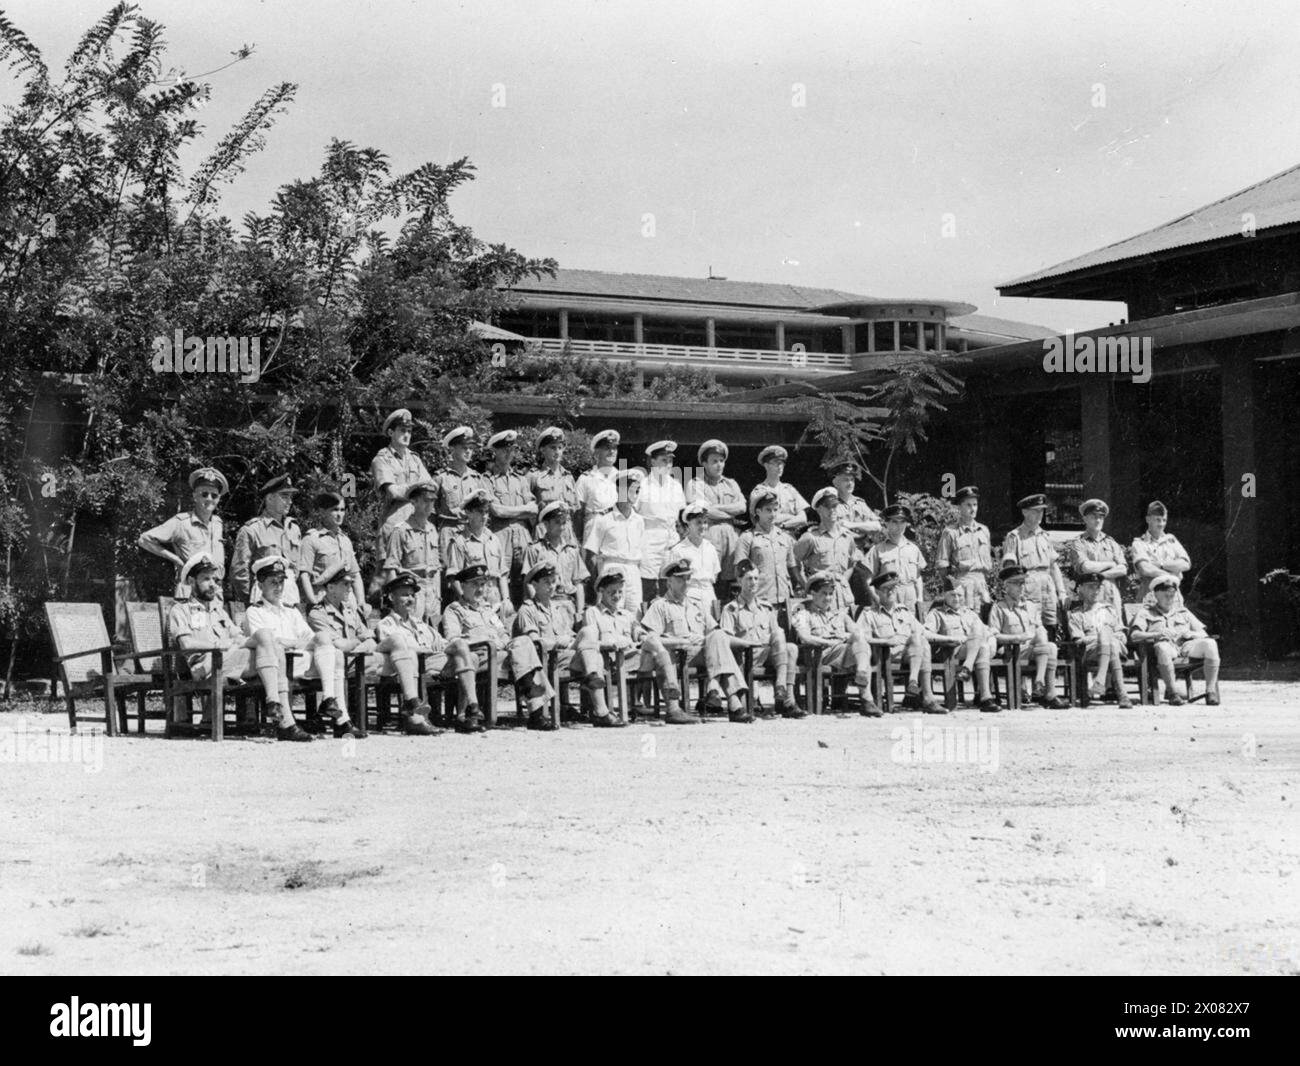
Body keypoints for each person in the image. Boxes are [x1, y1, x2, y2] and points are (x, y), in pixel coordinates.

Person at [168, 554, 310, 741]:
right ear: (192, 581)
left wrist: (261, 640)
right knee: (271, 646)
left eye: (215, 579)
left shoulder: (218, 611)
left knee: (270, 641)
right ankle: (283, 719)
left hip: (230, 662)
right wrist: (220, 644)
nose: (213, 584)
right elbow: (186, 644)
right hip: (206, 666)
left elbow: (238, 638)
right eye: (206, 579)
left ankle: (278, 709)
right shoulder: (180, 610)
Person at [244, 555, 364, 738]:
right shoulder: (255, 611)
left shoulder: (291, 612)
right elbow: (268, 643)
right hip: (279, 665)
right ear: (260, 586)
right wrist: (294, 642)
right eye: (272, 582)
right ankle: (299, 719)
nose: (278, 587)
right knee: (328, 651)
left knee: (332, 648)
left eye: (281, 582)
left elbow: (311, 638)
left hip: (303, 662)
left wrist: (298, 642)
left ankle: (338, 714)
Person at [442, 563, 554, 731]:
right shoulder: (454, 610)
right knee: (520, 650)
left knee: (523, 641)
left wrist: (500, 643)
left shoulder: (487, 610)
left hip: (499, 655)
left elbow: (504, 634)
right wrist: (486, 642)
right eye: (474, 585)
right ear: (462, 586)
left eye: (482, 585)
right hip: (477, 656)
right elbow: (453, 640)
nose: (480, 590)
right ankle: (533, 702)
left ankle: (535, 709)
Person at [640, 559, 751, 722]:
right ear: (669, 582)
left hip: (705, 653)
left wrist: (745, 643)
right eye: (680, 579)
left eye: (687, 579)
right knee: (719, 645)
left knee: (718, 635)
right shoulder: (660, 606)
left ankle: (715, 690)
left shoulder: (697, 605)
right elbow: (651, 639)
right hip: (679, 655)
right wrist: (678, 642)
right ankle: (732, 704)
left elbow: (717, 634)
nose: (685, 583)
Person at [582, 570, 698, 725]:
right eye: (612, 592)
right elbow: (591, 642)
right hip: (610, 661)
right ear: (601, 591)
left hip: (634, 659)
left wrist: (644, 637)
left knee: (654, 642)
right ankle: (672, 697)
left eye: (619, 592)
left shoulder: (627, 615)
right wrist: (613, 643)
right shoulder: (592, 612)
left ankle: (673, 710)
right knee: (657, 647)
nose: (617, 596)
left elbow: (639, 632)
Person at [514, 561, 618, 727]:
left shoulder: (557, 609)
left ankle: (592, 678)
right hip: (544, 661)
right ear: (534, 584)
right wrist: (558, 642)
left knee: (589, 633)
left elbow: (570, 635)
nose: (551, 586)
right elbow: (532, 644)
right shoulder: (527, 609)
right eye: (546, 582)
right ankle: (601, 711)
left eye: (553, 582)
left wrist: (570, 641)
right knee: (592, 651)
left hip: (564, 658)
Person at [376, 570, 478, 735]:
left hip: (435, 663)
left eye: (412, 596)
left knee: (466, 652)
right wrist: (427, 649)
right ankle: (422, 717)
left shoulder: (421, 624)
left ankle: (468, 712)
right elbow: (399, 650)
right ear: (391, 598)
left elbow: (442, 643)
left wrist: (457, 645)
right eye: (404, 595)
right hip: (414, 667)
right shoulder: (387, 624)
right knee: (461, 651)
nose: (410, 599)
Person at [719, 558, 805, 718]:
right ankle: (782, 691)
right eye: (749, 579)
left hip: (767, 655)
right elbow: (726, 640)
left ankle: (788, 700)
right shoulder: (730, 609)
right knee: (781, 638)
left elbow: (776, 635)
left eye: (756, 578)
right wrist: (749, 643)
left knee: (789, 645)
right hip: (745, 657)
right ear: (739, 580)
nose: (753, 582)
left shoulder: (766, 607)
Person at [791, 570, 881, 716]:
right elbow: (805, 637)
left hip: (842, 653)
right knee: (861, 649)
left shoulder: (839, 614)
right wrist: (830, 642)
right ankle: (866, 699)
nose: (828, 598)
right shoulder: (802, 612)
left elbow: (860, 633)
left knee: (861, 642)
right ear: (812, 593)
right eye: (823, 593)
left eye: (831, 593)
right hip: (820, 655)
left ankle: (862, 673)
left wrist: (844, 635)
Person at [857, 571, 943, 713]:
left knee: (920, 640)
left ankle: (915, 684)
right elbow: (861, 638)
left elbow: (924, 632)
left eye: (893, 588)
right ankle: (926, 697)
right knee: (923, 646)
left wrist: (949, 639)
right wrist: (885, 641)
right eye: (886, 589)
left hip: (909, 655)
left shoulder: (905, 612)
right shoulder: (869, 614)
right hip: (884, 655)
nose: (890, 591)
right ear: (877, 591)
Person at [1129, 573, 1221, 706]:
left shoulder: (1183, 612)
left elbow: (1203, 633)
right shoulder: (1146, 613)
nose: (1169, 599)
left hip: (1185, 647)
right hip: (1163, 649)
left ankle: (1210, 692)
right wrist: (1156, 634)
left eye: (1172, 595)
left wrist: (1190, 633)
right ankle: (1173, 693)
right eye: (1165, 595)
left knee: (1210, 644)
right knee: (1162, 647)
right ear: (1156, 595)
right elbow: (1134, 635)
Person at [307, 567, 381, 731]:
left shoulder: (350, 610)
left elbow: (370, 640)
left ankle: (331, 713)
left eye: (351, 584)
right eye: (345, 584)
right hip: (333, 663)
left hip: (355, 661)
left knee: (383, 656)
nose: (350, 588)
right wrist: (359, 641)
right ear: (330, 588)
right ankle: (340, 718)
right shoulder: (317, 613)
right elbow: (339, 646)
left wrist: (355, 644)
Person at [138, 466, 228, 599]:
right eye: (204, 494)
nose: (209, 498)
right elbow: (144, 540)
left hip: (215, 593)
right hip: (190, 594)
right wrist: (176, 559)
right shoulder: (181, 522)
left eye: (214, 495)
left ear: (218, 499)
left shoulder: (217, 523)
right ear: (195, 496)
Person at [987, 563, 1068, 709]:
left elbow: (1039, 629)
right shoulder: (999, 607)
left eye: (1023, 583)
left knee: (1051, 645)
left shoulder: (1031, 606)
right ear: (1006, 586)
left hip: (1033, 650)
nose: (1022, 587)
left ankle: (1043, 685)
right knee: (1047, 645)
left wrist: (1035, 636)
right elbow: (994, 635)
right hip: (1011, 651)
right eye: (1017, 583)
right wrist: (1016, 638)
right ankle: (1047, 693)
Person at [925, 577, 1000, 712]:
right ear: (944, 596)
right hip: (950, 651)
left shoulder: (969, 613)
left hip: (969, 651)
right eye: (952, 595)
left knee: (982, 645)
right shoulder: (937, 614)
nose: (957, 599)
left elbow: (986, 631)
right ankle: (984, 697)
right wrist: (947, 639)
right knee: (980, 640)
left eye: (960, 595)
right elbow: (925, 634)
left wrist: (992, 631)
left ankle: (983, 695)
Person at [686, 438, 746, 599]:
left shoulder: (731, 484)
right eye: (714, 461)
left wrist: (716, 508)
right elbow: (702, 511)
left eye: (721, 460)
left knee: (730, 580)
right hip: (709, 534)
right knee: (708, 577)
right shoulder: (696, 484)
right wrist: (729, 511)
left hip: (731, 537)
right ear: (704, 463)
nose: (719, 465)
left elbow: (742, 507)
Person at [484, 429, 538, 607]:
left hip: (523, 536)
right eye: (504, 449)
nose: (509, 453)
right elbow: (496, 511)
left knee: (526, 578)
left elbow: (534, 509)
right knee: (501, 579)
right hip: (502, 534)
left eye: (512, 449)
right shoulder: (488, 479)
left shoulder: (622, 468)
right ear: (495, 451)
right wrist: (523, 510)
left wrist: (513, 510)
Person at [230, 474, 303, 606]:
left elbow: (296, 568)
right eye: (284, 496)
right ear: (269, 498)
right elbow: (239, 571)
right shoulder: (252, 529)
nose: (290, 501)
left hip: (290, 598)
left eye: (290, 497)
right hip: (263, 599)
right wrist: (252, 600)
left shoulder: (294, 529)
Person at [1000, 493, 1066, 635]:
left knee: (1051, 625)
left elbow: (1053, 566)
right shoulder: (1015, 536)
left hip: (1048, 587)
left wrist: (1061, 592)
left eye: (1041, 511)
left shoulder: (1045, 536)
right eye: (1035, 511)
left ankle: (1050, 655)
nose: (1040, 514)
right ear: (1024, 512)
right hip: (1028, 587)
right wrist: (1014, 593)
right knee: (1031, 625)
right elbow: (1010, 569)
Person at [582, 467, 647, 613]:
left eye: (637, 490)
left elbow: (642, 552)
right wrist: (598, 582)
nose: (633, 494)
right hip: (611, 568)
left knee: (634, 614)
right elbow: (590, 557)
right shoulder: (603, 520)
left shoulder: (639, 521)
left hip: (633, 572)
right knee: (610, 612)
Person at [370, 408, 432, 555]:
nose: (406, 435)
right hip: (394, 524)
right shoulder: (381, 460)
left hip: (417, 524)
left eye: (409, 431)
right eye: (402, 430)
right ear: (391, 433)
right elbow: (393, 492)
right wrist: (417, 486)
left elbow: (430, 486)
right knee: (390, 574)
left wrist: (417, 488)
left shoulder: (415, 459)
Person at [520, 501, 588, 635]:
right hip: (547, 605)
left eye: (564, 523)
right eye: (557, 522)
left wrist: (579, 612)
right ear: (546, 524)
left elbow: (578, 583)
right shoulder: (535, 549)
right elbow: (528, 583)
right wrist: (538, 607)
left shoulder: (572, 551)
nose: (562, 527)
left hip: (569, 604)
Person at [735, 487, 801, 625]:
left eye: (775, 510)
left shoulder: (785, 537)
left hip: (784, 602)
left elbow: (793, 568)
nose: (773, 514)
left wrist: (804, 586)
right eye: (768, 510)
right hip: (760, 601)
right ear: (758, 512)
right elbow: (740, 572)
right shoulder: (747, 538)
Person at [1067, 571, 1133, 707]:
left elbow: (1122, 635)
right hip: (1092, 651)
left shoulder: (1110, 610)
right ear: (1081, 589)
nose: (1096, 591)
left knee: (1109, 638)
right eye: (1091, 587)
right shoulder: (1076, 614)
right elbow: (1078, 640)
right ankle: (1123, 696)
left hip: (1116, 646)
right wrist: (1102, 639)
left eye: (1098, 587)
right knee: (1110, 643)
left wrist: (1107, 636)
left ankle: (1100, 680)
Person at [381, 481, 443, 627]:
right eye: (425, 501)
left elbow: (436, 568)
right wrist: (395, 600)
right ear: (413, 502)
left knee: (433, 634)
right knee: (411, 632)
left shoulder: (433, 529)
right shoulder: (401, 530)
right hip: (413, 592)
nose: (430, 505)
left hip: (432, 593)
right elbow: (391, 567)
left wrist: (438, 594)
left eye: (433, 501)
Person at [792, 487, 859, 612]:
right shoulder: (811, 537)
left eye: (834, 506)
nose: (832, 510)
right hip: (820, 596)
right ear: (818, 509)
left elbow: (851, 563)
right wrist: (807, 584)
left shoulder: (847, 537)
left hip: (843, 597)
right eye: (827, 506)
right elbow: (793, 562)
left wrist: (842, 580)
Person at [298, 490, 366, 611]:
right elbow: (304, 576)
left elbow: (355, 575)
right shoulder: (311, 539)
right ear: (322, 512)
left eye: (342, 510)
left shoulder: (346, 541)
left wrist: (361, 602)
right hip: (323, 600)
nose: (339, 514)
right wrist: (313, 601)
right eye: (334, 509)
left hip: (348, 603)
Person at [445, 489, 510, 612]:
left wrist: (506, 599)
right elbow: (453, 577)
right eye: (480, 512)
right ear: (468, 512)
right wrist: (464, 601)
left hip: (495, 601)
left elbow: (502, 574)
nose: (484, 516)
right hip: (473, 602)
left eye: (486, 512)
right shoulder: (459, 542)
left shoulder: (494, 539)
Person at [638, 439, 686, 604]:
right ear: (652, 461)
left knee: (670, 581)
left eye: (670, 460)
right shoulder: (642, 485)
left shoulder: (676, 486)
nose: (668, 464)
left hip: (671, 538)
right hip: (649, 537)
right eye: (663, 460)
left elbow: (680, 516)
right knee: (649, 583)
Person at [935, 485, 994, 608]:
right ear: (959, 507)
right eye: (968, 505)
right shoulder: (951, 532)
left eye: (975, 505)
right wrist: (953, 587)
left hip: (982, 585)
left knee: (983, 622)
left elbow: (987, 563)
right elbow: (942, 566)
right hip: (962, 586)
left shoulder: (983, 531)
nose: (973, 509)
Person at [860, 504, 927, 611]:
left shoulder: (914, 549)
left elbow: (918, 577)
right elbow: (869, 580)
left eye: (902, 521)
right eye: (894, 521)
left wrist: (920, 598)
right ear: (886, 523)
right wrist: (876, 598)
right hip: (889, 596)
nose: (899, 526)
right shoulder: (878, 550)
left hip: (911, 599)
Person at [433, 425, 484, 559]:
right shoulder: (441, 478)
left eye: (471, 448)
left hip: (472, 532)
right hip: (448, 532)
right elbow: (430, 514)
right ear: (452, 449)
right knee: (448, 574)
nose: (468, 452)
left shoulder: (477, 479)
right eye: (464, 448)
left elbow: (484, 511)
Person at [1068, 498, 1127, 611]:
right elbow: (1086, 567)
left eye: (1101, 517)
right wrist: (1111, 564)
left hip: (1111, 594)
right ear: (1085, 519)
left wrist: (1101, 576)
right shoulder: (1079, 543)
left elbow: (1123, 569)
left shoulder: (1111, 543)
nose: (1098, 520)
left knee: (1114, 626)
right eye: (1093, 517)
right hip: (1089, 595)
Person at [665, 501, 722, 615]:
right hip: (688, 595)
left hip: (709, 595)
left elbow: (714, 575)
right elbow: (671, 581)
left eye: (705, 522)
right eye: (698, 523)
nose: (703, 526)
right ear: (688, 525)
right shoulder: (678, 550)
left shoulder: (710, 548)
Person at [1131, 500, 1192, 603]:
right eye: (1158, 520)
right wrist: (1170, 576)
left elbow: (1185, 564)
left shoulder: (1171, 540)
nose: (1161, 524)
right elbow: (1145, 569)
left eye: (1164, 520)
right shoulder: (1139, 543)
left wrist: (1161, 564)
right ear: (1148, 519)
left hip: (1173, 597)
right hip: (1150, 596)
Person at [528, 425, 579, 545]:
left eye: (560, 448)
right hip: (545, 532)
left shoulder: (568, 477)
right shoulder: (534, 476)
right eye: (553, 448)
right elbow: (528, 512)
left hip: (567, 533)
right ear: (542, 450)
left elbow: (576, 512)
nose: (557, 452)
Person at [750, 445, 809, 536]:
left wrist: (784, 525)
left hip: (790, 539)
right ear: (766, 465)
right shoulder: (759, 491)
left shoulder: (790, 489)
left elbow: (803, 518)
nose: (780, 466)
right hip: (767, 539)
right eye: (776, 463)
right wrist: (791, 517)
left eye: (782, 463)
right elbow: (760, 520)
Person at [574, 428, 620, 544]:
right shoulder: (585, 479)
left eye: (614, 448)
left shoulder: (622, 477)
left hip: (616, 529)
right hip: (594, 527)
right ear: (596, 453)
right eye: (607, 448)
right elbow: (578, 513)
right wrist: (578, 540)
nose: (612, 452)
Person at [829, 459, 882, 542]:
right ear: (835, 483)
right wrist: (864, 527)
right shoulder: (830, 504)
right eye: (846, 480)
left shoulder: (860, 503)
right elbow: (835, 529)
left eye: (852, 480)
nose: (850, 483)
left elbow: (877, 526)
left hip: (860, 551)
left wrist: (851, 525)